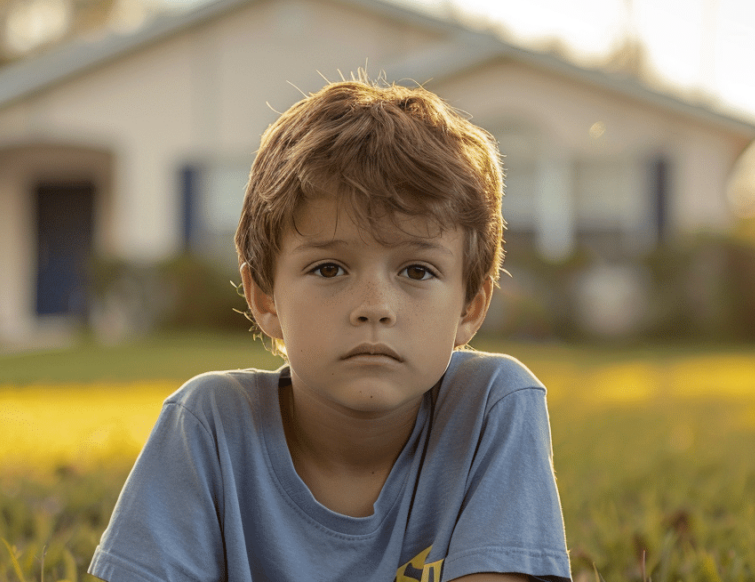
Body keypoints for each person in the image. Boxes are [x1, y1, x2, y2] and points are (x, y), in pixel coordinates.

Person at [88, 75, 570, 582]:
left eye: (417, 271)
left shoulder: (490, 409)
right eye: (329, 269)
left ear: (471, 307)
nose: (374, 307)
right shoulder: (209, 427)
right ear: (265, 297)